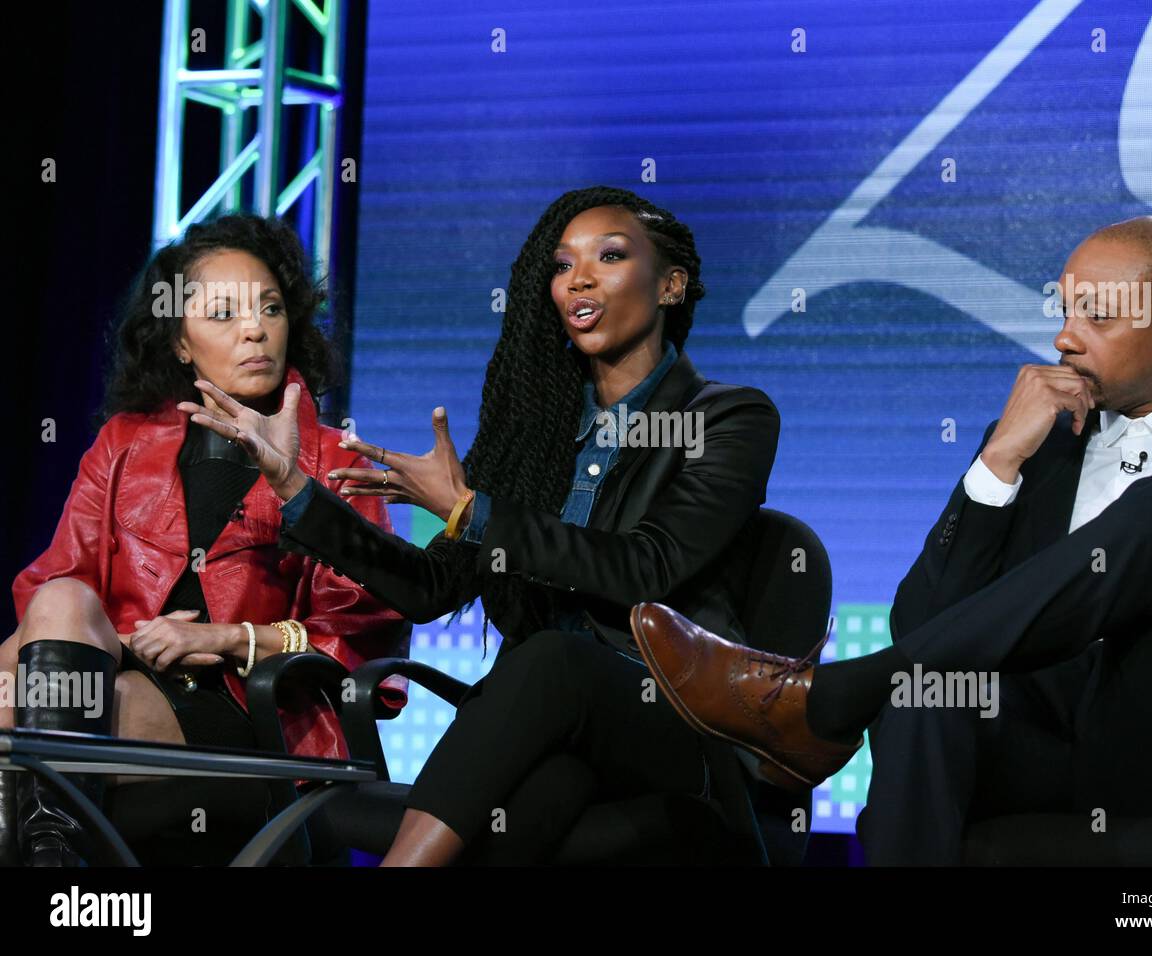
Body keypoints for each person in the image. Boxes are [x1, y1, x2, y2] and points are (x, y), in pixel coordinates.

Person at [628, 215, 1152, 864]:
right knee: (924, 691)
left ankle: (830, 700)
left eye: (1096, 316)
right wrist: (999, 460)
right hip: (1029, 748)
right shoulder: (1039, 440)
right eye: (1063, 313)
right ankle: (846, 698)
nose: (1065, 339)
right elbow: (922, 623)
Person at [179, 185, 789, 865]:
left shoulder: (730, 419)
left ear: (671, 285)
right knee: (532, 802)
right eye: (561, 266)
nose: (578, 279)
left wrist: (474, 512)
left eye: (609, 256)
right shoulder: (535, 431)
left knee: (556, 661)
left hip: (672, 724)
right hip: (549, 733)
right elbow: (429, 588)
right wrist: (295, 487)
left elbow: (647, 569)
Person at [2, 214, 409, 867]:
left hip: (256, 711)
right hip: (117, 676)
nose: (255, 329)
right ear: (181, 344)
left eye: (271, 309)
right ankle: (53, 859)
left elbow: (362, 628)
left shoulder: (336, 460)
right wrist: (127, 640)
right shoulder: (124, 444)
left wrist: (222, 638)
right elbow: (54, 592)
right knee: (57, 604)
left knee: (45, 722)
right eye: (224, 313)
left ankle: (54, 875)